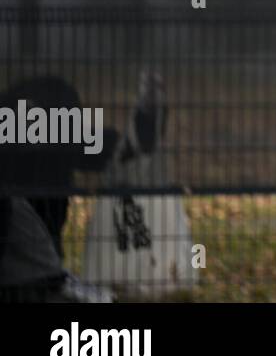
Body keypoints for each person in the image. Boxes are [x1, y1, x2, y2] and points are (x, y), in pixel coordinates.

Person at [0, 71, 165, 302]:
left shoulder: (55, 134)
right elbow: (125, 150)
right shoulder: (59, 134)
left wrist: (148, 112)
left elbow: (124, 149)